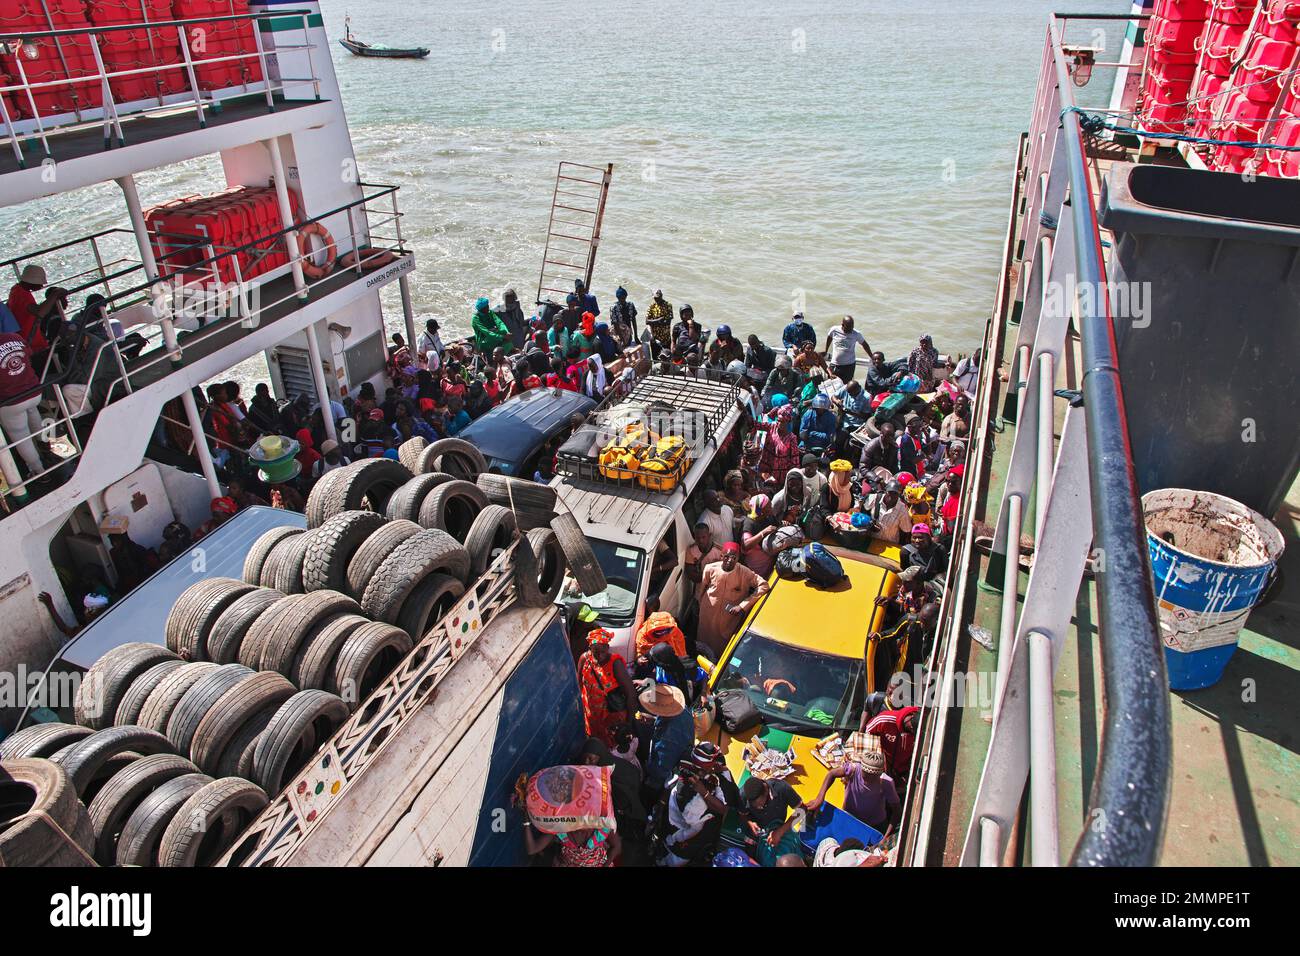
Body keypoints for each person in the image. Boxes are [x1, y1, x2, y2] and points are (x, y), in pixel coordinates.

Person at [658, 742, 736, 867]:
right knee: (675, 858)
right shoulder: (689, 795)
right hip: (683, 829)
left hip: (684, 823)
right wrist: (704, 793)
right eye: (710, 766)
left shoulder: (712, 764)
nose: (715, 767)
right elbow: (720, 810)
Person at [805, 746, 901, 842]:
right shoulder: (853, 770)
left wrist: (885, 838)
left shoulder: (886, 783)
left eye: (873, 777)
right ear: (862, 769)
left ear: (880, 774)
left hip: (874, 826)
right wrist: (820, 798)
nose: (868, 779)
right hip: (849, 818)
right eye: (866, 775)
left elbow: (896, 812)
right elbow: (832, 774)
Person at [696, 543, 769, 658]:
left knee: (722, 648)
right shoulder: (710, 568)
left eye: (734, 558)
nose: (730, 560)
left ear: (738, 559)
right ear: (721, 556)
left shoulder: (745, 573)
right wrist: (699, 605)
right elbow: (703, 588)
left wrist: (742, 606)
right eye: (727, 557)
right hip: (708, 614)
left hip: (728, 619)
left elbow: (764, 585)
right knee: (703, 641)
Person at [576, 628, 638, 748]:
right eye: (596, 652)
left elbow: (631, 694)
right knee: (594, 743)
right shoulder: (584, 659)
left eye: (603, 651)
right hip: (592, 715)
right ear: (590, 649)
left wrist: (629, 723)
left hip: (612, 716)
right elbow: (578, 683)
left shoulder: (615, 664)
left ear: (608, 647)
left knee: (611, 744)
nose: (600, 656)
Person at [0, 325, 46, 483]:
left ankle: (39, 471)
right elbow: (28, 357)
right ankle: (46, 446)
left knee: (21, 436)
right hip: (34, 392)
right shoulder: (14, 337)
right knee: (33, 413)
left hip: (12, 401)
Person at [581, 736, 646, 841]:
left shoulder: (614, 772)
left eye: (591, 759)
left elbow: (624, 793)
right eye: (585, 758)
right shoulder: (602, 767)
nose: (587, 762)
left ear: (600, 756)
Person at [640, 680, 693, 799]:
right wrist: (654, 720)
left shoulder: (667, 740)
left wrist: (646, 767)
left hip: (667, 776)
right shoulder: (682, 709)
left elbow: (660, 770)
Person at [739, 775, 805, 867]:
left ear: (766, 791)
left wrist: (780, 832)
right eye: (755, 807)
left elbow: (802, 810)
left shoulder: (782, 788)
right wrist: (750, 823)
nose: (759, 808)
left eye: (760, 805)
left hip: (781, 827)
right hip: (758, 834)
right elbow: (742, 815)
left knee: (792, 856)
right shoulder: (743, 795)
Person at [8, 264, 67, 358]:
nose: (42, 285)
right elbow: (40, 312)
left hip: (28, 340)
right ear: (31, 281)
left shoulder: (15, 290)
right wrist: (55, 294)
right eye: (40, 282)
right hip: (32, 345)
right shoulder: (23, 296)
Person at [522, 814, 620, 867]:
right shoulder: (561, 827)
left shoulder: (602, 826)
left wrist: (606, 865)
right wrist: (526, 821)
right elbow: (532, 849)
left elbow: (616, 846)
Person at [863, 705, 921, 791]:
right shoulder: (885, 719)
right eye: (911, 727)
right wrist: (878, 758)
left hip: (904, 774)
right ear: (910, 717)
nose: (912, 730)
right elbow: (868, 733)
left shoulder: (918, 730)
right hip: (882, 770)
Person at [758, 405, 802, 487]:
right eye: (778, 420)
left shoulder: (792, 438)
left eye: (782, 421)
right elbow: (755, 424)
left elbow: (794, 461)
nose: (778, 423)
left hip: (781, 477)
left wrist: (794, 477)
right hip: (766, 473)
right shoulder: (772, 427)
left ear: (787, 423)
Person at [861, 479, 913, 543]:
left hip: (890, 544)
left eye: (895, 493)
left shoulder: (902, 510)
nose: (892, 496)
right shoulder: (874, 498)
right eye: (890, 492)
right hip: (871, 541)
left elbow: (906, 530)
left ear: (899, 494)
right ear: (885, 491)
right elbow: (862, 512)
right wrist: (869, 523)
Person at [683, 521, 723, 604]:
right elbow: (692, 576)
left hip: (716, 593)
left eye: (703, 537)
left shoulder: (719, 551)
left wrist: (702, 574)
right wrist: (713, 572)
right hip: (699, 594)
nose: (701, 540)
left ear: (709, 536)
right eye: (697, 538)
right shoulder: (691, 550)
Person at [823, 315, 871, 382]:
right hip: (835, 364)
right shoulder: (834, 330)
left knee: (846, 387)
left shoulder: (856, 334)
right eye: (848, 328)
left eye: (852, 327)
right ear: (842, 325)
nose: (850, 330)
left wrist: (871, 356)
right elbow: (829, 337)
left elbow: (865, 344)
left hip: (849, 366)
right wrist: (826, 350)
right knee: (832, 385)